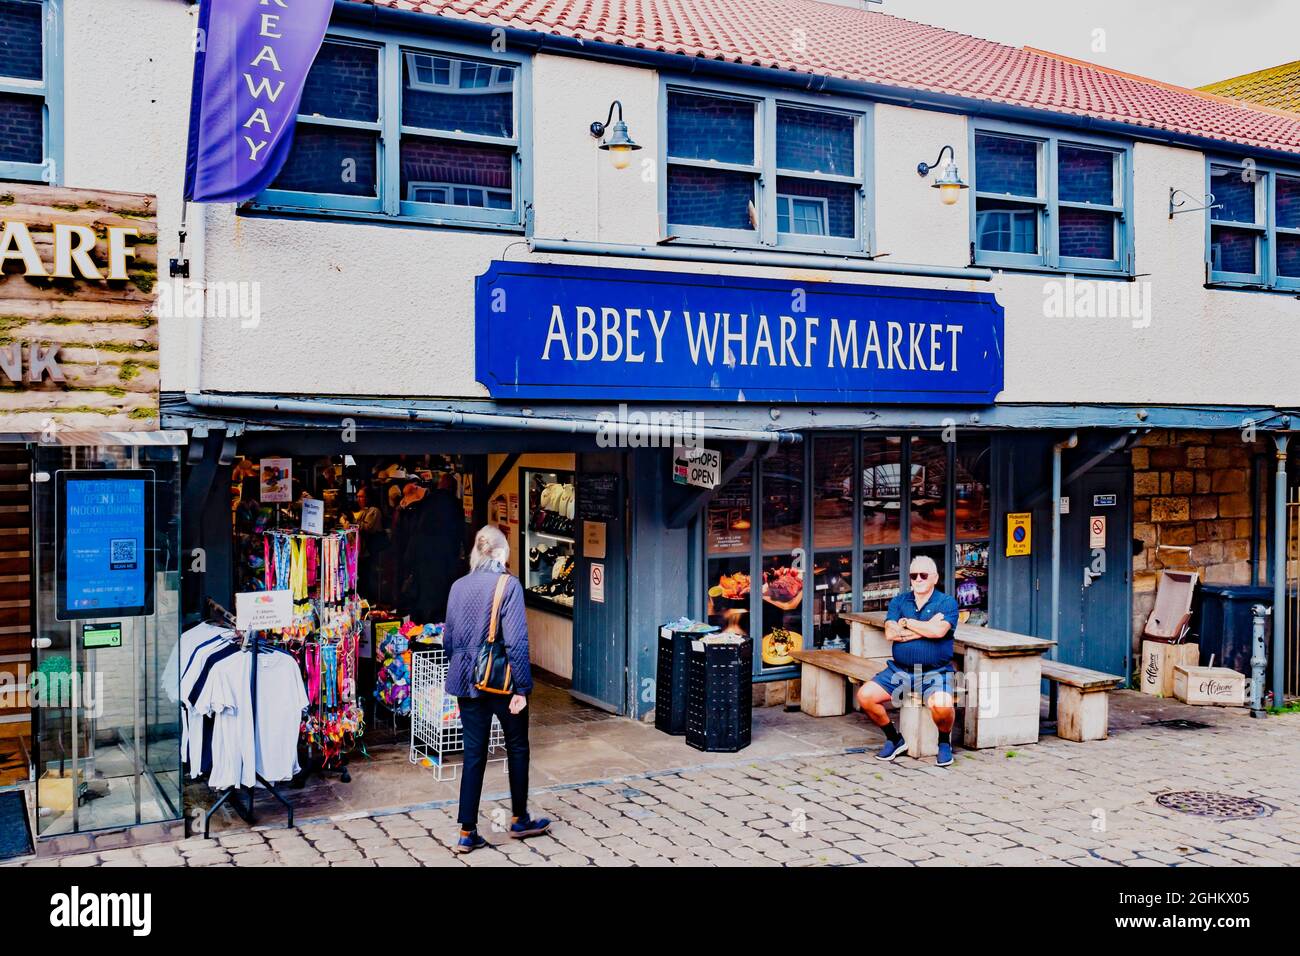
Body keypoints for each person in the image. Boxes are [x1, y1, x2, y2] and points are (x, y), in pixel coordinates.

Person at [442, 526, 551, 854]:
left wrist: (466, 665)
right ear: (502, 553)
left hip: (466, 680)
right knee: (517, 746)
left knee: (473, 753)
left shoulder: (458, 586)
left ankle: (466, 832)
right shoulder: (509, 585)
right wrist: (522, 688)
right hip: (502, 681)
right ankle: (519, 818)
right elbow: (516, 641)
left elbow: (449, 640)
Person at [855, 555, 959, 768]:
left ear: (935, 578)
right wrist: (925, 628)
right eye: (914, 575)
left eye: (923, 575)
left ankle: (944, 742)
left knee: (942, 705)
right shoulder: (899, 601)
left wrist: (907, 622)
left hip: (935, 672)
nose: (918, 579)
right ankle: (894, 739)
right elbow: (890, 633)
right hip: (900, 670)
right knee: (865, 697)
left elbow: (939, 632)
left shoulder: (946, 602)